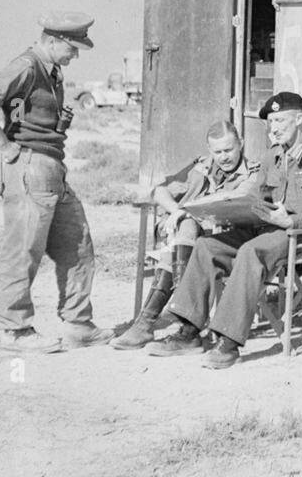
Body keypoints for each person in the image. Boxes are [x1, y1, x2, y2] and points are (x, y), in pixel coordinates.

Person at [148, 92, 302, 369]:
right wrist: (231, 209)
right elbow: (256, 198)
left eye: (280, 120)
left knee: (251, 251)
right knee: (207, 247)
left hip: (299, 234)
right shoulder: (272, 156)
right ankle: (189, 332)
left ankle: (228, 342)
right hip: (265, 229)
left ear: (299, 119)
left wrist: (291, 221)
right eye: (271, 122)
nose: (274, 127)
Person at [0, 11, 113, 352]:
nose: (75, 56)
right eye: (73, 48)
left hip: (52, 169)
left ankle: (78, 325)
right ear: (53, 41)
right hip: (30, 168)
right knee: (24, 250)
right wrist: (4, 146)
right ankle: (16, 331)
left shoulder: (51, 72)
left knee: (78, 247)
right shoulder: (27, 65)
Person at [110, 119, 262, 350]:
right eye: (218, 151)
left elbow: (234, 201)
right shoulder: (200, 167)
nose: (224, 157)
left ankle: (150, 324)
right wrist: (176, 210)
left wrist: (185, 211)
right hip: (190, 240)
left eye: (229, 149)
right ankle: (178, 326)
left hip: (227, 240)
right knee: (185, 230)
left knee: (184, 231)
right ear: (210, 150)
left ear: (241, 143)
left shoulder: (253, 172)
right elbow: (160, 190)